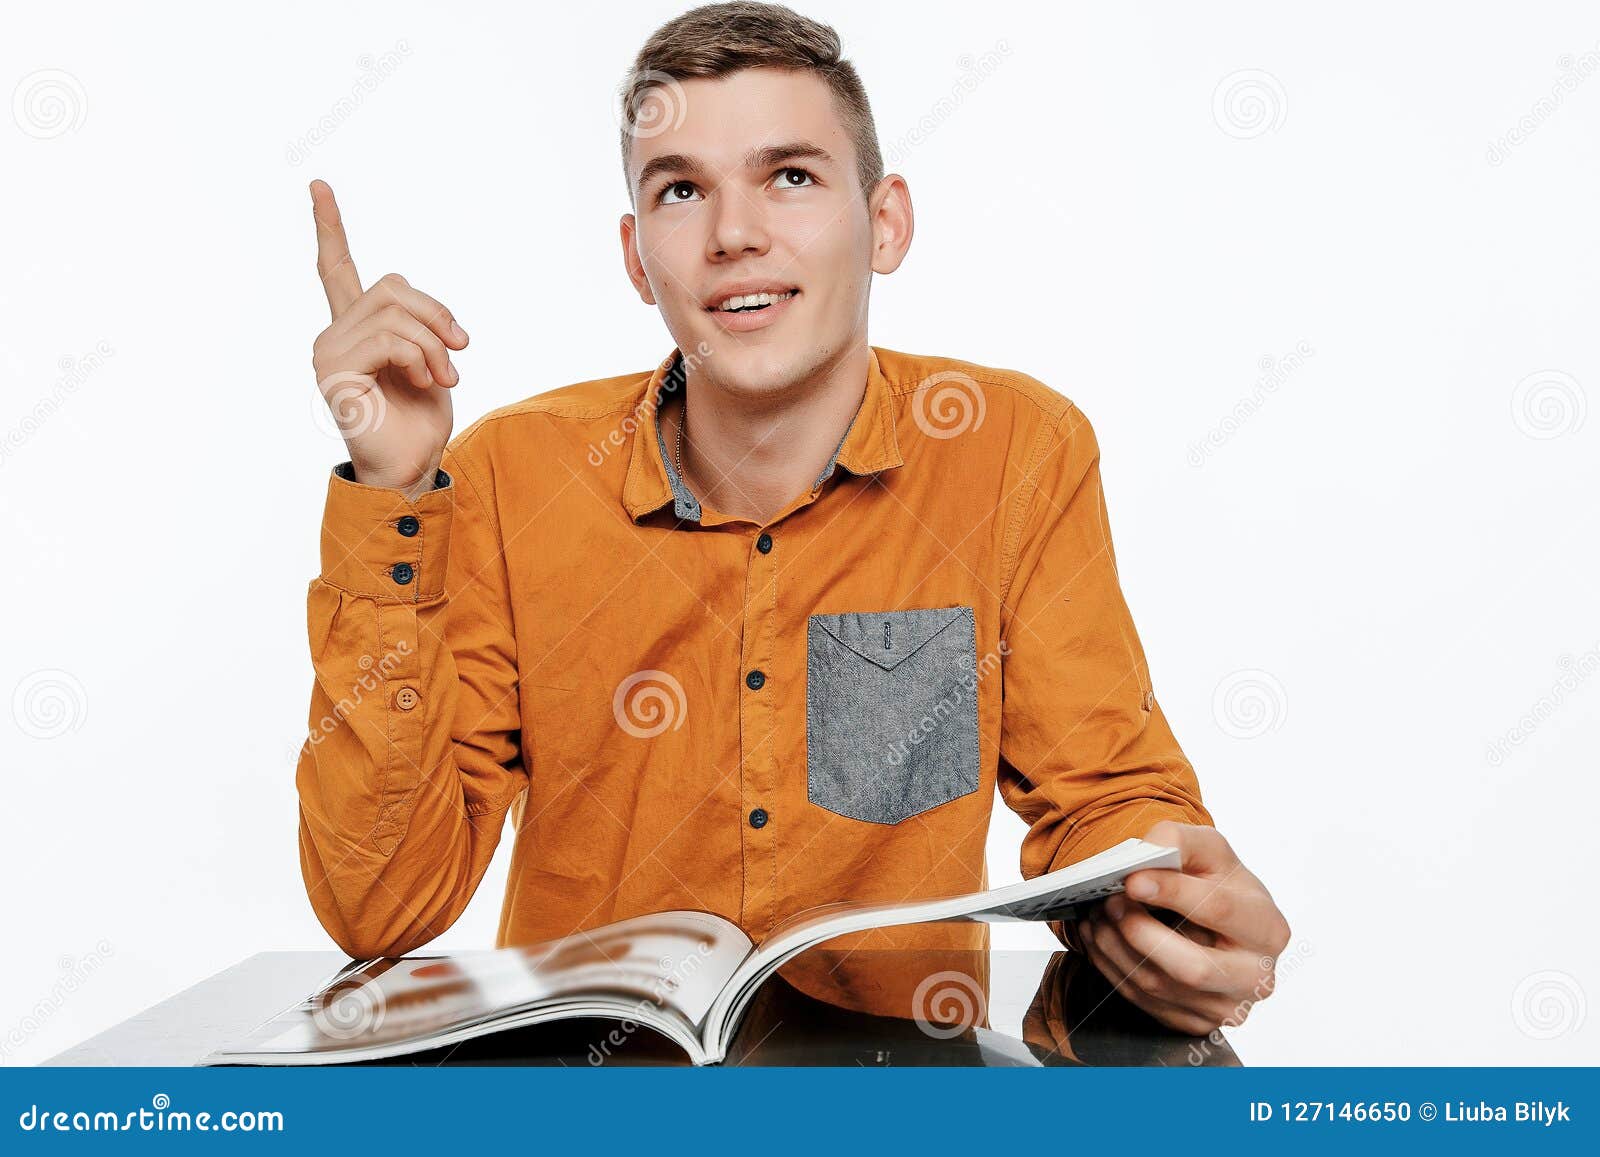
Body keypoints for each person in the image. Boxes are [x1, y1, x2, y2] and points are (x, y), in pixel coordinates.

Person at [298, 0, 1290, 1036]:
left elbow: (1105, 800)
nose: (734, 233)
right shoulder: (512, 472)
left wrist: (1175, 897)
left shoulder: (1014, 453)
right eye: (682, 189)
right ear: (639, 258)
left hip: (893, 1109)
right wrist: (395, 495)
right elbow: (381, 905)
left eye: (791, 176)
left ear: (886, 221)